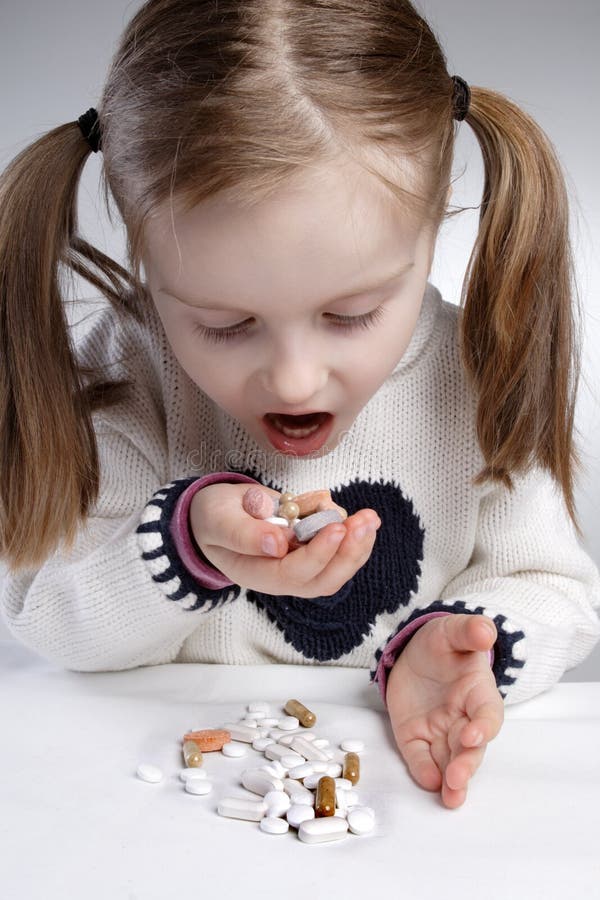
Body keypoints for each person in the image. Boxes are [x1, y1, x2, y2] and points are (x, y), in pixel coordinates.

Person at [1, 0, 599, 810]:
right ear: (145, 256)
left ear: (432, 227)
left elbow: (551, 585)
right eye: (224, 325)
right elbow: (46, 611)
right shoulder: (132, 368)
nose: (293, 381)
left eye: (350, 315)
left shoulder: (476, 374)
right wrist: (187, 541)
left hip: (395, 805)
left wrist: (456, 648)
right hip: (161, 806)